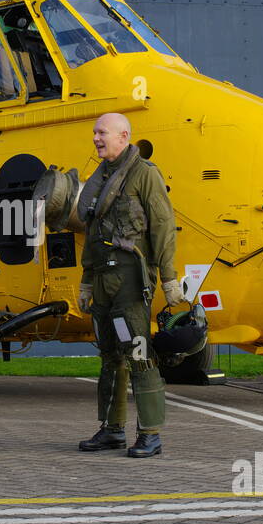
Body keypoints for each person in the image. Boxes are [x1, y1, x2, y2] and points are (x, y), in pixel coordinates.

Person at [77, 113, 185, 458]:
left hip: (130, 279)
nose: (96, 138)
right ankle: (111, 430)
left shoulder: (144, 175)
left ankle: (150, 433)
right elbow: (92, 235)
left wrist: (168, 279)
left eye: (102, 132)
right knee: (109, 356)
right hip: (104, 280)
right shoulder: (99, 178)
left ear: (123, 136)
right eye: (94, 132)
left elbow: (163, 228)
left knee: (138, 352)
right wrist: (85, 282)